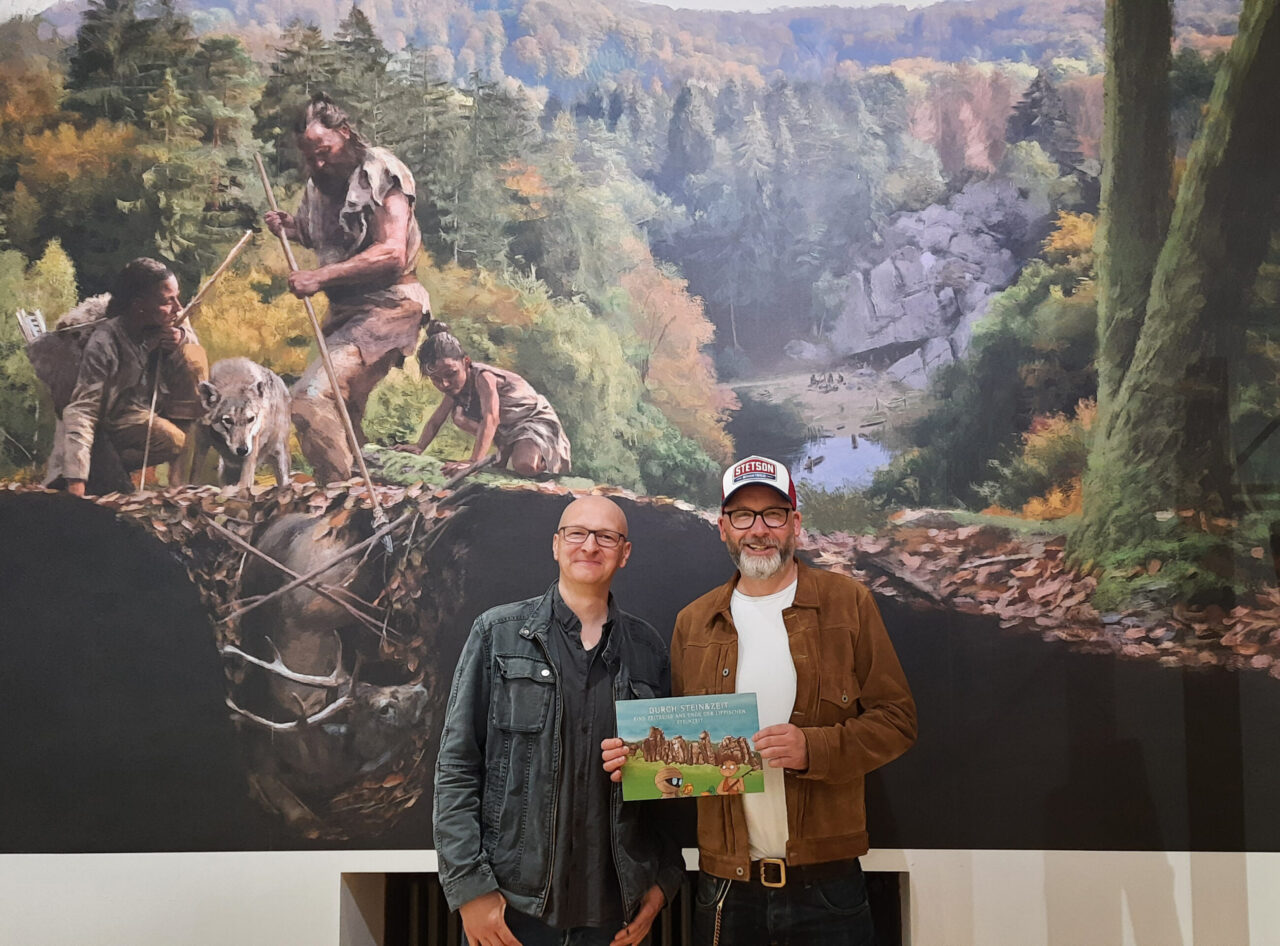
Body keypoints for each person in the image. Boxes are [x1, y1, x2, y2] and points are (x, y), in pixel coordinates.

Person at [604, 455, 917, 946]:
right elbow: (684, 747)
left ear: (795, 523)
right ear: (723, 528)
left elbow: (897, 720)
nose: (759, 529)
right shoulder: (694, 622)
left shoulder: (847, 603)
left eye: (772, 513)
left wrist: (814, 748)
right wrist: (640, 759)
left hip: (828, 884)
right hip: (726, 886)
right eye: (743, 516)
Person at [434, 495, 683, 946]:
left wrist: (662, 885)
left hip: (619, 918)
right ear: (556, 545)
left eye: (606, 536)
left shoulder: (647, 650)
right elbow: (456, 768)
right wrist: (470, 889)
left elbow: (672, 784)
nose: (590, 546)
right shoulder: (498, 634)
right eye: (577, 533)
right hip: (513, 913)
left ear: (625, 553)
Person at [264, 92, 431, 484]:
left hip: (389, 308)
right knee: (345, 411)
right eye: (310, 156)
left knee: (309, 398)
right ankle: (366, 491)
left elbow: (390, 251)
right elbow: (315, 233)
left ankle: (341, 493)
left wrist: (319, 277)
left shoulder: (381, 171)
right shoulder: (318, 184)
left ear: (345, 132)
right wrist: (288, 227)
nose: (319, 162)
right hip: (345, 314)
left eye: (324, 150)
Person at [49, 257, 208, 496]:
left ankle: (170, 481)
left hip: (144, 411)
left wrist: (182, 337)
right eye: (168, 301)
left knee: (192, 358)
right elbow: (82, 410)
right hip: (111, 419)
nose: (178, 307)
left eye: (178, 297)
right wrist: (76, 481)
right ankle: (97, 469)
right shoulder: (105, 341)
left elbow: (195, 362)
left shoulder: (171, 321)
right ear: (138, 305)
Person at [394, 322, 571, 477]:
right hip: (508, 430)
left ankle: (543, 460)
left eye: (451, 374)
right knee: (459, 418)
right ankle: (507, 450)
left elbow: (491, 418)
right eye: (437, 380)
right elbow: (435, 421)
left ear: (466, 362)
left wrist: (473, 462)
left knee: (525, 465)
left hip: (532, 420)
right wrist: (419, 447)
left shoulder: (484, 377)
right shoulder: (453, 389)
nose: (445, 384)